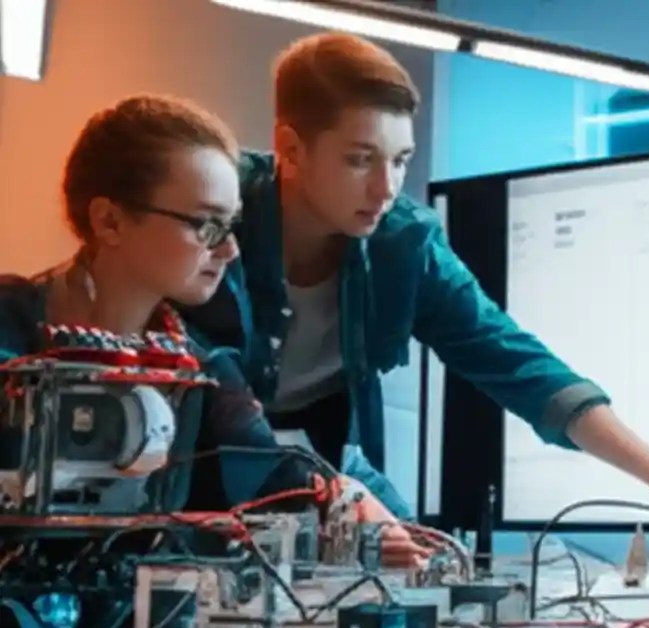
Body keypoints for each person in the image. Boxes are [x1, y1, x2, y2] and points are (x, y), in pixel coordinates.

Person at [176, 32, 649, 546]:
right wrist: (342, 501)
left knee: (420, 571)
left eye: (401, 159)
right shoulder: (213, 217)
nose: (386, 188)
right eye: (360, 159)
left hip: (328, 457)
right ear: (290, 148)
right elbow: (222, 402)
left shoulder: (403, 245)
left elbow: (522, 366)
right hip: (191, 465)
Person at [0, 94, 421, 567]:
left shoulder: (200, 366)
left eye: (230, 225)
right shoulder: (11, 325)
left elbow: (274, 474)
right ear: (109, 221)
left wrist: (343, 496)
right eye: (205, 225)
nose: (229, 250)